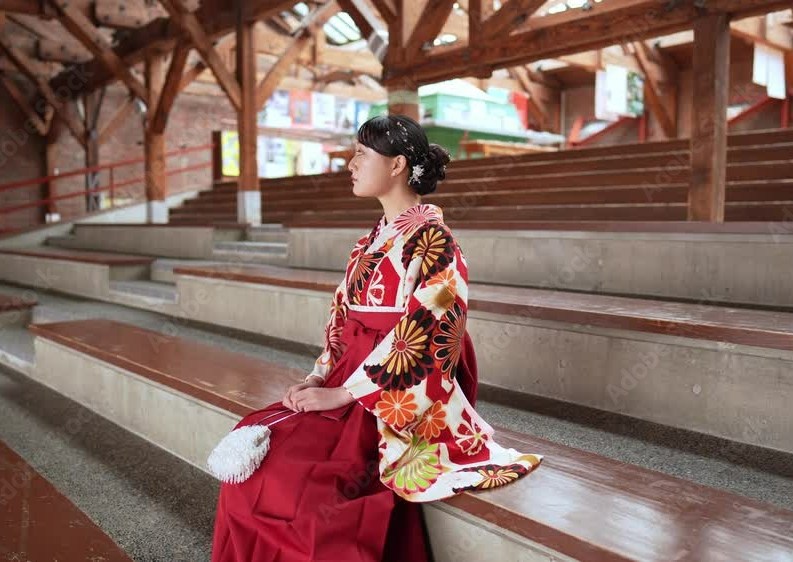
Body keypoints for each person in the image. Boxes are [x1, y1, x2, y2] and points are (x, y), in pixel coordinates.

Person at [209, 115, 543, 562]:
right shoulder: (368, 243)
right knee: (254, 453)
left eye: (362, 155)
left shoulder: (435, 241)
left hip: (392, 394)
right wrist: (318, 377)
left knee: (306, 488)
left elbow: (429, 332)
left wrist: (345, 394)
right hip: (349, 375)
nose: (351, 165)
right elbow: (341, 318)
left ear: (397, 164)